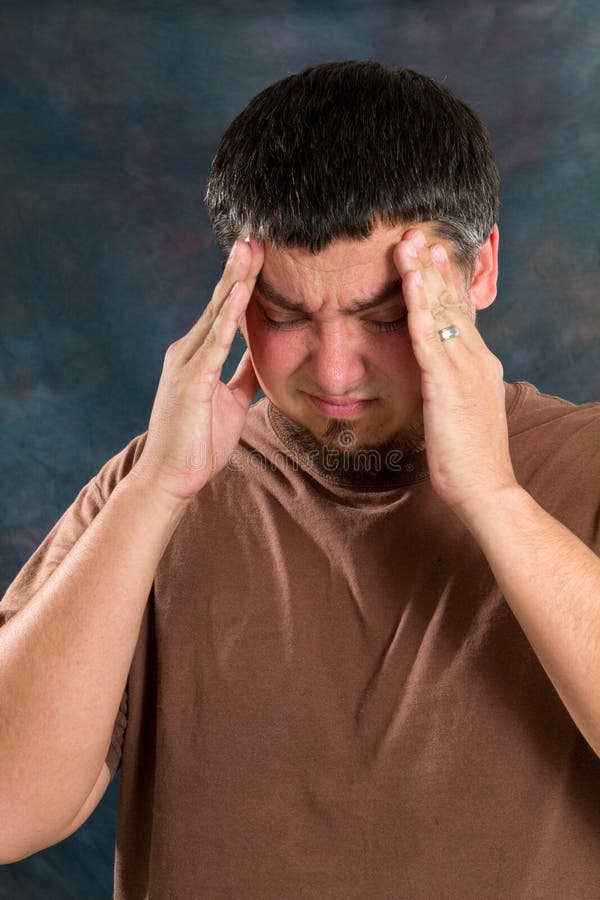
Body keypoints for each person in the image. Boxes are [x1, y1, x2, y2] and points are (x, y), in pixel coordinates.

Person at [1, 59, 600, 899]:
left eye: (384, 317)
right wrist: (155, 495)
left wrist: (494, 498)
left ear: (481, 271)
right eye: (283, 315)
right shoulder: (153, 485)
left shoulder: (587, 464)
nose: (335, 370)